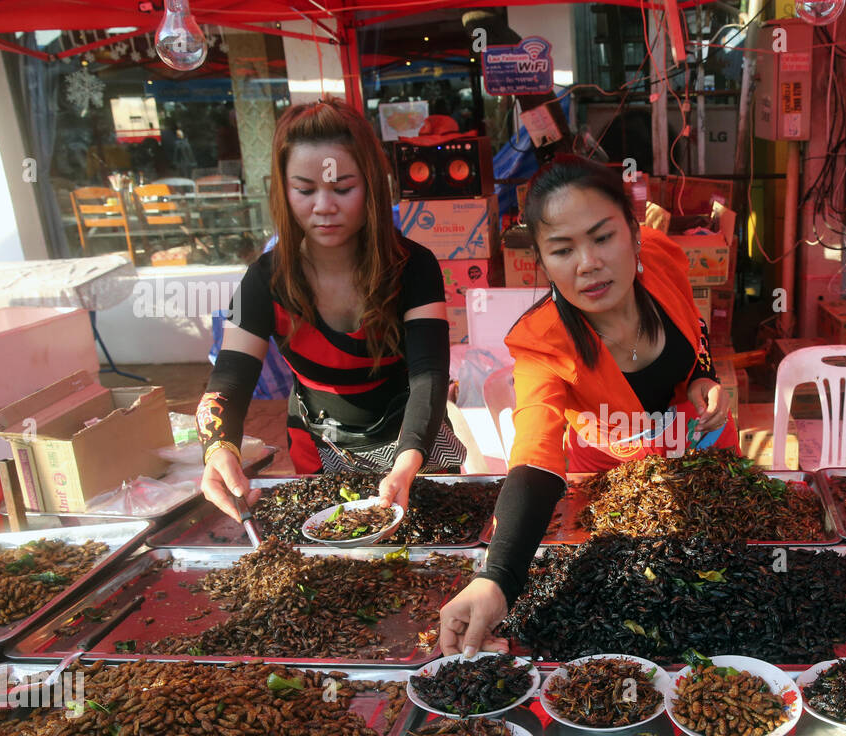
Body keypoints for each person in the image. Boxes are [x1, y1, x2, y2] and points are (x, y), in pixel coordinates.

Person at [438, 154, 736, 657]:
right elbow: (534, 461)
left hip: (701, 453)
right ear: (542, 259)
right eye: (562, 249)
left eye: (603, 237)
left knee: (724, 593)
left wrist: (702, 374)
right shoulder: (541, 344)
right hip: (612, 480)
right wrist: (499, 577)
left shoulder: (662, 257)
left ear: (634, 233)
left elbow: (695, 324)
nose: (588, 264)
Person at [197, 96, 463, 523]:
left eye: (342, 188)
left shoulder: (413, 267)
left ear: (373, 185)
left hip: (414, 443)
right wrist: (218, 447)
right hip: (321, 448)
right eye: (304, 189)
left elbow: (428, 376)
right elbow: (228, 377)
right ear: (283, 190)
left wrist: (407, 460)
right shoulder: (264, 281)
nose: (323, 206)